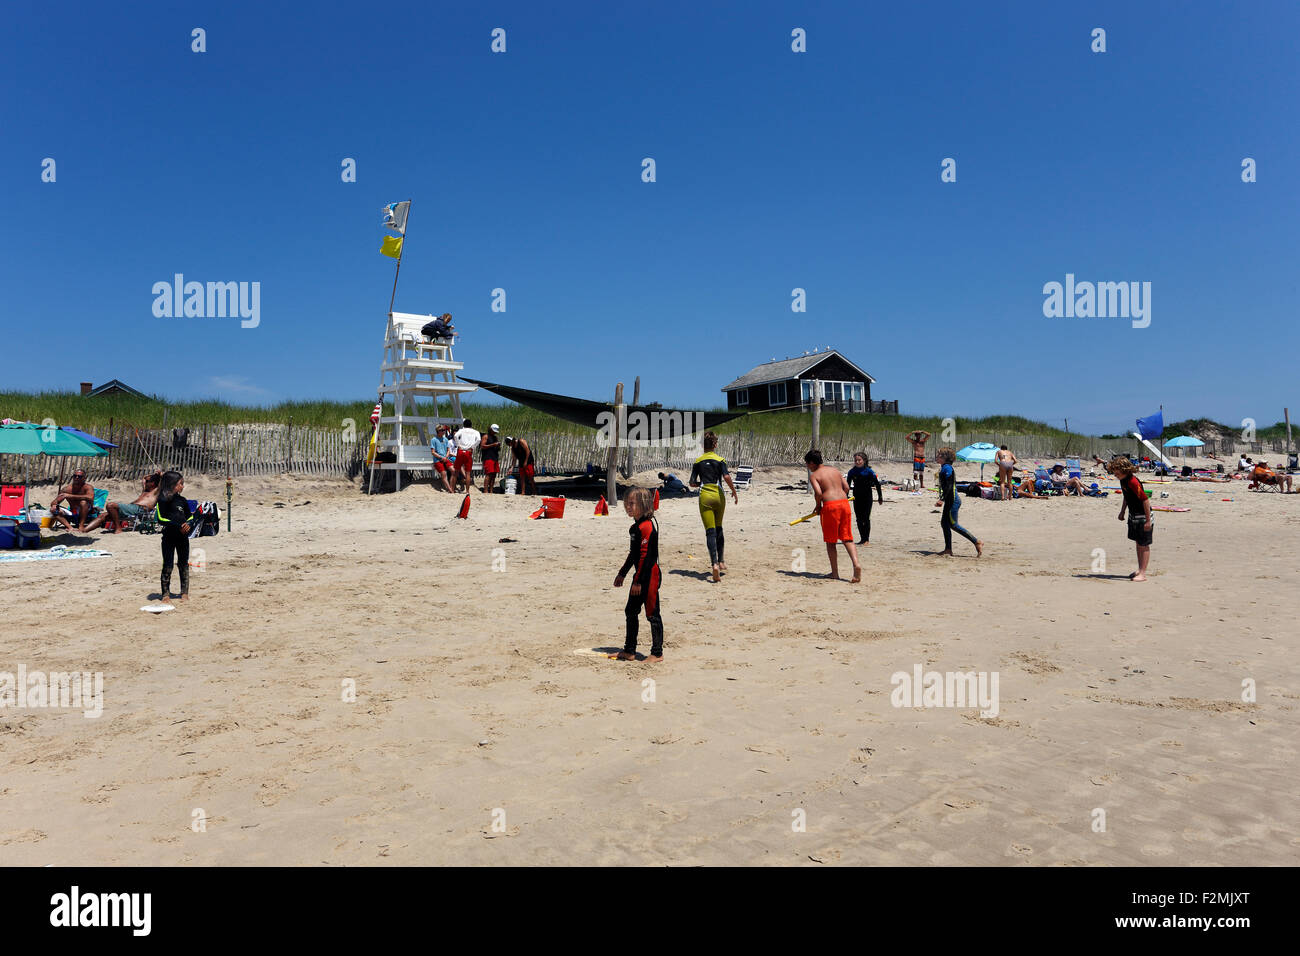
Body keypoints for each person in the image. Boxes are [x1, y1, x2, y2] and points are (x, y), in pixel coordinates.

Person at [613, 487, 663, 662]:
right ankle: (629, 650)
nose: (628, 506)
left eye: (632, 503)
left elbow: (646, 557)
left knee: (652, 613)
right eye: (626, 503)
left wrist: (638, 582)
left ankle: (657, 653)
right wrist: (622, 573)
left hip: (649, 575)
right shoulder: (635, 528)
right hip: (639, 575)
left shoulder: (647, 527)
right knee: (631, 611)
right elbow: (633, 554)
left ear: (644, 505)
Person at [804, 449, 861, 582]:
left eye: (807, 464)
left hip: (830, 507)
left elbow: (818, 493)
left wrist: (818, 506)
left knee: (831, 541)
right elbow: (846, 487)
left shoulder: (814, 476)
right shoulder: (835, 470)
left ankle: (835, 573)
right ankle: (856, 564)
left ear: (812, 463)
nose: (807, 467)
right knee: (847, 538)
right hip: (844, 504)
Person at [689, 431, 739, 582]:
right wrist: (734, 491)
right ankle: (722, 560)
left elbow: (692, 483)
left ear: (702, 446)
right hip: (719, 496)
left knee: (710, 532)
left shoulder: (698, 461)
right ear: (715, 445)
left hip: (705, 496)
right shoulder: (720, 460)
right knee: (719, 528)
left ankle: (714, 564)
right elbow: (726, 477)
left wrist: (701, 484)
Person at [155, 471, 197, 601]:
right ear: (172, 484)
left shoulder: (182, 500)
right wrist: (178, 525)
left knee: (183, 563)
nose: (183, 486)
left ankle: (184, 592)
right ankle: (165, 594)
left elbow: (190, 516)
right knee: (168, 564)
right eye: (180, 484)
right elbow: (161, 519)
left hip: (183, 538)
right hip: (168, 537)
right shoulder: (162, 500)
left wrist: (189, 524)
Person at [1110, 456, 1152, 581]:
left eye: (1117, 472)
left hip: (1143, 516)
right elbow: (1126, 496)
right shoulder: (1123, 481)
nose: (1115, 475)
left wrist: (1148, 520)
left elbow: (1145, 500)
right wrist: (1122, 511)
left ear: (1125, 470)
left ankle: (1143, 573)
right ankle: (1140, 569)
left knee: (1144, 544)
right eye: (1114, 472)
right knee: (1138, 543)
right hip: (1133, 516)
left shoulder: (1133, 481)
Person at [935, 447, 982, 557]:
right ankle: (948, 549)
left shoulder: (947, 468)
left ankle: (976, 541)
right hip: (950, 499)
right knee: (944, 523)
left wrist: (942, 499)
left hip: (953, 500)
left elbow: (950, 485)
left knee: (953, 524)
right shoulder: (944, 467)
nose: (937, 457)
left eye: (939, 455)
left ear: (945, 458)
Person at [84, 472, 162, 533]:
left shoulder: (156, 491)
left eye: (148, 481)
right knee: (102, 516)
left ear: (153, 483)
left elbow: (162, 483)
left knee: (110, 505)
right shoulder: (145, 490)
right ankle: (84, 531)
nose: (146, 482)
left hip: (140, 509)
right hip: (132, 508)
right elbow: (144, 478)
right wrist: (153, 474)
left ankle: (118, 528)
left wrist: (160, 475)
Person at [846, 452, 884, 545]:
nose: (857, 462)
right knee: (858, 519)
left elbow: (877, 484)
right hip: (856, 497)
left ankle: (866, 539)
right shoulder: (852, 472)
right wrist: (846, 496)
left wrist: (880, 497)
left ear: (864, 461)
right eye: (856, 460)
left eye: (859, 460)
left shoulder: (869, 471)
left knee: (866, 518)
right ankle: (862, 539)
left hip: (867, 497)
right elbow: (847, 485)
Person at [452, 419, 481, 492]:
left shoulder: (461, 430)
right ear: (471, 425)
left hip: (461, 451)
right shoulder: (475, 432)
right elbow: (478, 440)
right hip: (468, 451)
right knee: (468, 473)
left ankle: (452, 489)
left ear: (464, 425)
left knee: (456, 472)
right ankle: (467, 491)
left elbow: (455, 436)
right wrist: (473, 447)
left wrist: (459, 445)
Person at [429, 425, 455, 492]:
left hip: (445, 458)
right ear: (438, 431)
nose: (444, 431)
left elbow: (448, 450)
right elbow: (433, 452)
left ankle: (451, 487)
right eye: (442, 430)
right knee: (444, 473)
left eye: (444, 430)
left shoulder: (445, 439)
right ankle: (449, 489)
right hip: (438, 459)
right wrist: (441, 457)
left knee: (453, 471)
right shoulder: (433, 440)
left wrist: (446, 457)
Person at [481, 425, 502, 494]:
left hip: (495, 457)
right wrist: (493, 445)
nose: (495, 433)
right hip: (488, 457)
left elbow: (497, 449)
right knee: (488, 474)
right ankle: (485, 490)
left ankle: (491, 490)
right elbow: (482, 446)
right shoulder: (485, 436)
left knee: (494, 475)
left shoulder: (495, 437)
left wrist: (498, 446)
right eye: (494, 431)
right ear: (490, 429)